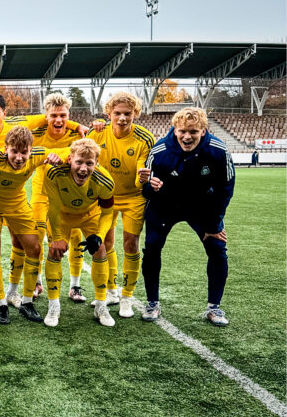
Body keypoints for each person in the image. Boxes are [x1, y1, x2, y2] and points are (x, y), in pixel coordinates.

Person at [0, 92, 92, 308]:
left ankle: (15, 292)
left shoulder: (21, 125)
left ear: (4, 114)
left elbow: (52, 117)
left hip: (15, 200)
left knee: (21, 242)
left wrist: (76, 127)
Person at [141, 107, 235, 326]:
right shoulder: (160, 150)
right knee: (152, 248)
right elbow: (145, 189)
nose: (187, 136)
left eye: (193, 131)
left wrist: (213, 224)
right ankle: (152, 303)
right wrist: (150, 187)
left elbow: (226, 188)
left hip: (202, 207)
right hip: (164, 205)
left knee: (217, 247)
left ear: (203, 130)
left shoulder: (218, 151)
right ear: (175, 129)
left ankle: (214, 308)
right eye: (182, 130)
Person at [0, 126, 66, 324]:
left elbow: (67, 151)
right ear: (5, 149)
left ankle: (26, 302)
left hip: (18, 206)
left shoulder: (37, 155)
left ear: (30, 150)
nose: (19, 157)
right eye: (14, 152)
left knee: (34, 249)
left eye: (24, 152)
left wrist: (57, 156)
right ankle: (1, 304)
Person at [87, 92, 154, 318]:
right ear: (109, 114)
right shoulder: (96, 133)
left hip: (133, 197)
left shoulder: (144, 138)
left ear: (136, 113)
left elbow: (140, 173)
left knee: (131, 244)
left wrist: (141, 178)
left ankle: (127, 297)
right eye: (117, 113)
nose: (123, 118)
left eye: (128, 113)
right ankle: (111, 289)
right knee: (104, 242)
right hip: (104, 196)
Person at [43, 138, 116, 327]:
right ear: (69, 160)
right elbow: (54, 208)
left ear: (96, 163)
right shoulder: (54, 173)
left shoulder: (106, 181)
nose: (84, 169)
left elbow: (108, 214)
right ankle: (54, 305)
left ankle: (101, 305)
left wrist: (98, 236)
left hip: (89, 215)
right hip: (62, 215)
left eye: (89, 163)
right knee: (54, 251)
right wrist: (57, 238)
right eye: (79, 162)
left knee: (100, 251)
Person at [28, 93, 90, 306]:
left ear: (68, 115)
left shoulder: (77, 135)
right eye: (53, 115)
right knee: (35, 236)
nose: (58, 120)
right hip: (41, 190)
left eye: (63, 115)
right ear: (46, 116)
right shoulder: (36, 133)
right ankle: (36, 282)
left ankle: (75, 286)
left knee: (74, 236)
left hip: (67, 193)